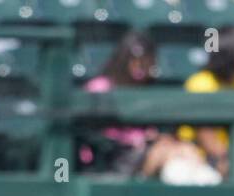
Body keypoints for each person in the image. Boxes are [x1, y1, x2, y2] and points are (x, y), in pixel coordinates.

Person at [79, 31, 202, 180]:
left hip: (145, 155)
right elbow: (93, 135)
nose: (140, 65)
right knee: (173, 152)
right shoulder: (100, 87)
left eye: (145, 60)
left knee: (184, 150)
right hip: (111, 157)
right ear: (123, 58)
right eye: (135, 58)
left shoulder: (150, 90)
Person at [173, 26, 234, 184]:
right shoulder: (200, 83)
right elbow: (206, 137)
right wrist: (228, 160)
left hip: (233, 160)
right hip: (196, 158)